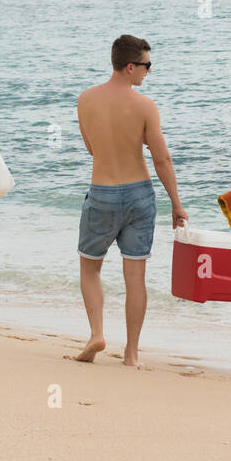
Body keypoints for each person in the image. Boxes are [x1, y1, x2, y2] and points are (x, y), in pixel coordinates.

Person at [73, 34, 188, 368]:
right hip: (140, 194)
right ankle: (132, 354)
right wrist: (177, 204)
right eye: (146, 66)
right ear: (128, 66)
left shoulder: (86, 100)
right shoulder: (145, 106)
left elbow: (92, 148)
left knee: (90, 268)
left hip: (103, 192)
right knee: (135, 276)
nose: (148, 72)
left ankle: (96, 333)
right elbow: (163, 160)